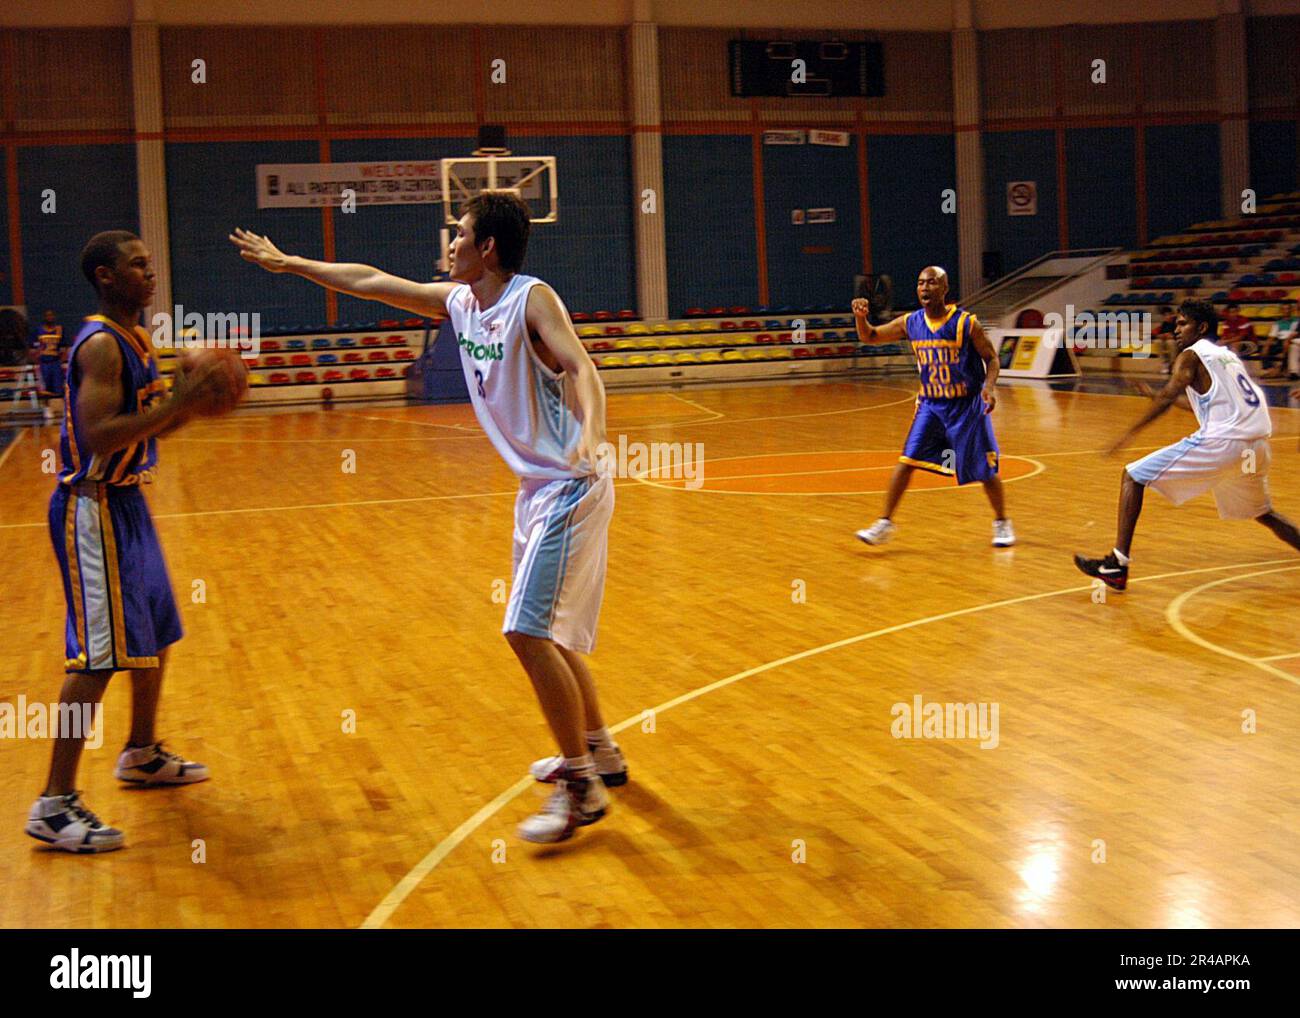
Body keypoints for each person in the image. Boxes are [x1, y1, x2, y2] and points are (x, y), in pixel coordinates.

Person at [230, 191, 627, 844]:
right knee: (548, 636)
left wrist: (595, 431)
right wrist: (292, 263)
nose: (449, 243)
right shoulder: (460, 303)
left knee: (525, 631)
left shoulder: (531, 299)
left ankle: (580, 786)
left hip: (569, 484)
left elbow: (582, 367)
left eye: (459, 233)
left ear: (487, 247)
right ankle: (600, 750)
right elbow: (370, 281)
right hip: (537, 488)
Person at [26, 231, 229, 854]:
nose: (150, 272)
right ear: (106, 277)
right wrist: (180, 401)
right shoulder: (101, 345)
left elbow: (147, 427)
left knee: (158, 630)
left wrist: (191, 407)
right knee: (98, 657)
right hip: (92, 508)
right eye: (137, 265)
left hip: (128, 504)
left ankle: (140, 752)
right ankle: (53, 803)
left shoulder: (137, 338)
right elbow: (100, 437)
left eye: (149, 263)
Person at [1074, 298, 1300, 591]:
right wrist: (1152, 394)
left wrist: (1129, 433)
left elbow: (1169, 396)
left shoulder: (1191, 355)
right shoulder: (1227, 357)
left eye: (1183, 324)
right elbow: (1204, 404)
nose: (1176, 330)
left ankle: (1117, 565)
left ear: (1201, 327)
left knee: (1133, 476)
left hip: (1224, 443)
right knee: (1263, 513)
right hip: (1256, 448)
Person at [851, 266, 1015, 548]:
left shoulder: (966, 323)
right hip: (931, 405)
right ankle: (884, 522)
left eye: (932, 283)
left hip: (966, 406)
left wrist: (988, 388)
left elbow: (992, 359)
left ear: (945, 288)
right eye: (920, 283)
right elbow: (871, 337)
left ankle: (1002, 522)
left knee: (985, 470)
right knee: (907, 461)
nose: (925, 288)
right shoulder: (910, 322)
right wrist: (861, 318)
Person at [34, 309, 65, 400]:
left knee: (58, 388)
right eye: (47, 315)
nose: (49, 317)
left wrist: (61, 361)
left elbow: (64, 348)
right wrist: (37, 360)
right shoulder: (38, 330)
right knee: (45, 389)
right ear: (44, 317)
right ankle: (47, 406)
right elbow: (33, 349)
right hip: (43, 363)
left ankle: (58, 406)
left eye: (51, 315)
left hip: (56, 362)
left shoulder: (59, 330)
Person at [1262, 301, 1298, 379]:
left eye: (1288, 309)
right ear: (1281, 311)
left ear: (1291, 310)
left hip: (1292, 342)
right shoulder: (1278, 323)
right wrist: (1266, 346)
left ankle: (1282, 370)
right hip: (1280, 342)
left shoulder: (1297, 321)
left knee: (1289, 350)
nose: (1286, 311)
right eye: (1284, 309)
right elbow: (1272, 336)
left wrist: (1288, 341)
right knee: (1265, 350)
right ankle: (1271, 371)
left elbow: (1297, 333)